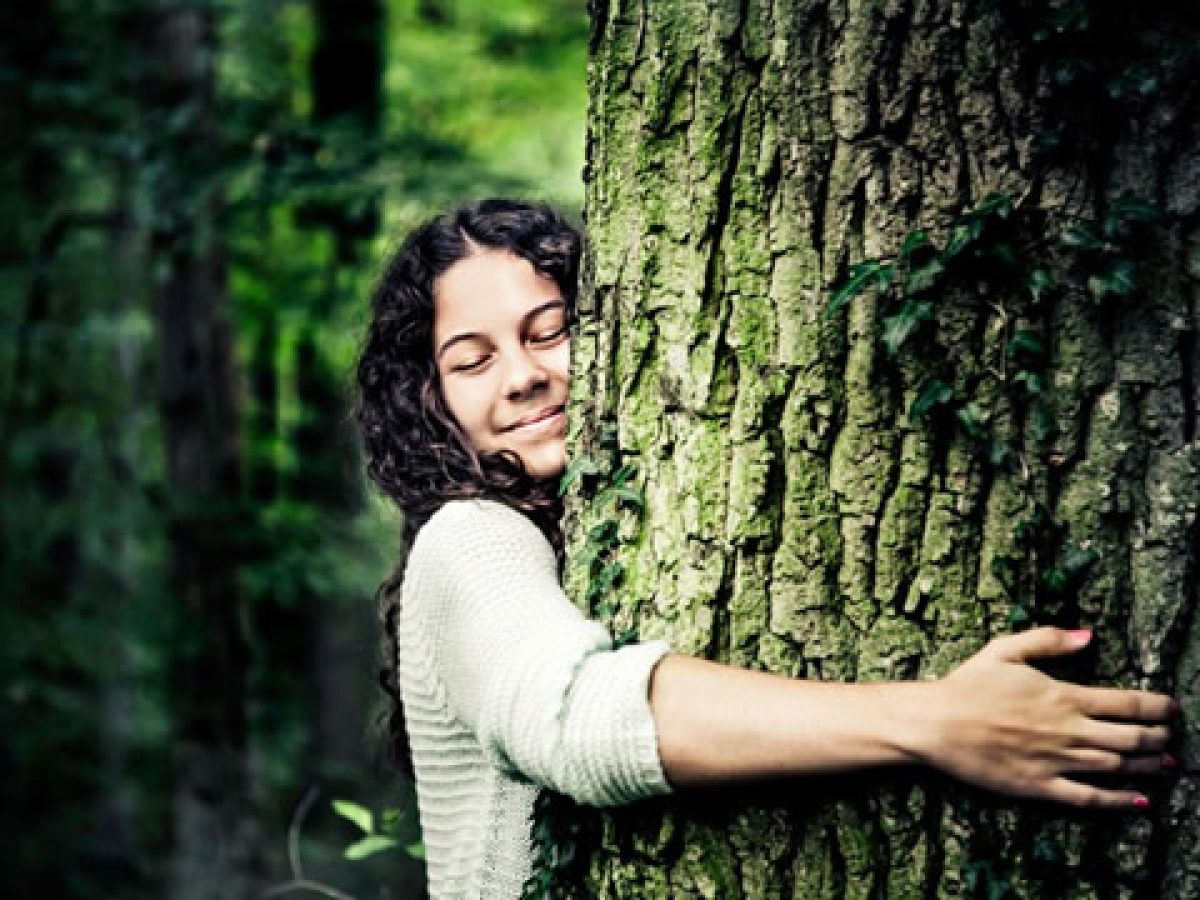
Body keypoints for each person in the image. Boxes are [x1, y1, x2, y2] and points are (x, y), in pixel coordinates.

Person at [355, 198, 1177, 899]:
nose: (523, 376)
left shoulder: (579, 527)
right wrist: (939, 720)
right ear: (430, 400)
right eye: (473, 361)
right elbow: (574, 719)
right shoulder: (466, 537)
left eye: (551, 331)